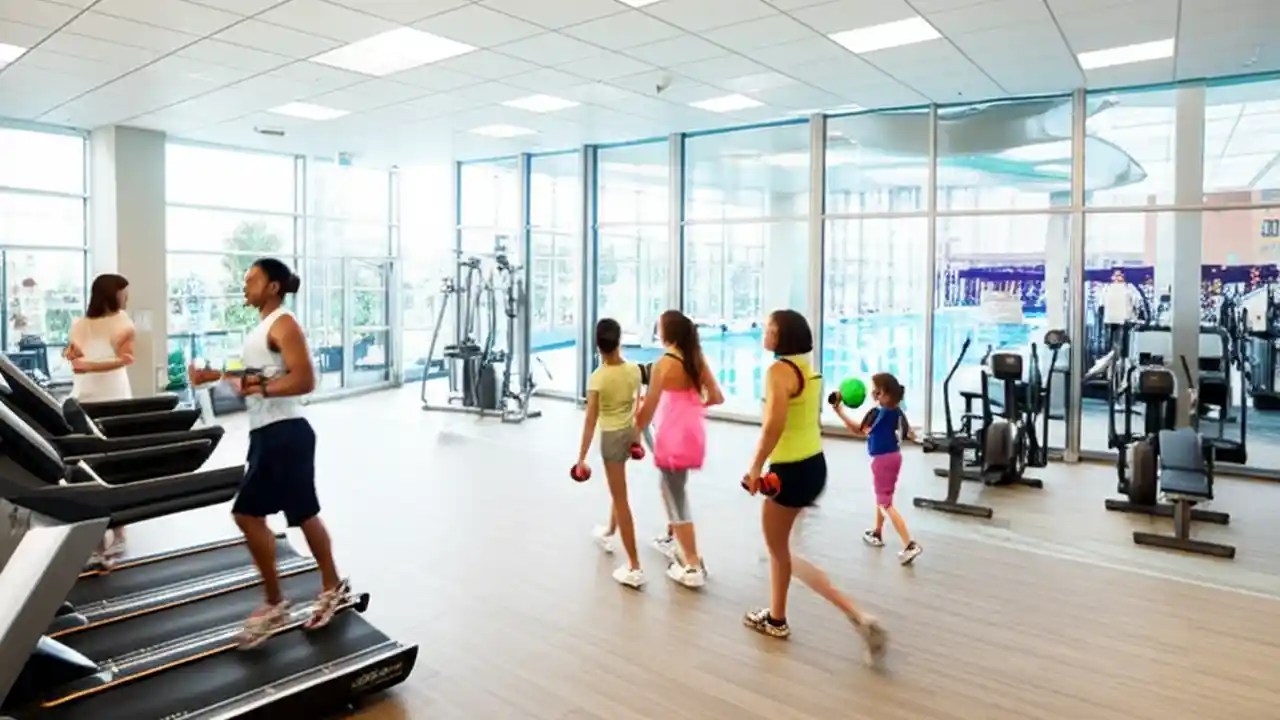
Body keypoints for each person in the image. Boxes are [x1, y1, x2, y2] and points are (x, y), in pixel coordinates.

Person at [188, 258, 348, 650]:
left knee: (251, 513)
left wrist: (260, 388)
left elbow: (304, 378)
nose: (245, 286)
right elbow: (256, 377)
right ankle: (327, 587)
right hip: (269, 433)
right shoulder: (262, 329)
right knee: (301, 512)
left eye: (252, 280)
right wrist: (215, 375)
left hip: (286, 431)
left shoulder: (284, 323)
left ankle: (282, 600)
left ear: (273, 286)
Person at [742, 309, 887, 663]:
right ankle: (776, 619)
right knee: (780, 549)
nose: (765, 331)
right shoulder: (811, 371)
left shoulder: (778, 371)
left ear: (782, 337)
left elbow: (774, 425)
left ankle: (857, 615)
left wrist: (755, 466)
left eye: (770, 328)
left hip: (788, 471)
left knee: (781, 552)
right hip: (814, 467)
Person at [635, 310, 723, 589]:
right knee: (674, 489)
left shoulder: (664, 364)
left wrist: (633, 436)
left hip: (671, 437)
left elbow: (646, 413)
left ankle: (693, 564)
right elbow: (717, 396)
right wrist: (692, 406)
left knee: (675, 497)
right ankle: (675, 541)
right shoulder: (695, 359)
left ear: (666, 333)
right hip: (692, 435)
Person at [66, 273, 136, 567]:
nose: (126, 297)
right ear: (110, 294)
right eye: (123, 292)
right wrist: (79, 361)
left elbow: (126, 359)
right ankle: (97, 540)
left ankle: (119, 533)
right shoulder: (80, 324)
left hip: (116, 398)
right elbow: (74, 360)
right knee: (90, 469)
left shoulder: (123, 322)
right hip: (86, 399)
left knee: (116, 466)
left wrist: (87, 365)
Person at [577, 318, 646, 588]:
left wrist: (581, 457)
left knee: (621, 499)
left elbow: (590, 420)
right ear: (619, 340)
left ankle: (634, 566)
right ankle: (609, 531)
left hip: (612, 440)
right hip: (629, 435)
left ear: (598, 345)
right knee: (619, 490)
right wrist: (637, 436)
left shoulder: (598, 377)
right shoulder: (633, 370)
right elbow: (637, 403)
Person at [832, 372, 923, 565]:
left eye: (876, 390)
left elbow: (858, 430)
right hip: (895, 458)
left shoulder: (876, 413)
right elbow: (906, 433)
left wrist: (839, 412)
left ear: (884, 394)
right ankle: (878, 532)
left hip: (881, 461)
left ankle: (909, 544)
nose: (872, 394)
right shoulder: (898, 411)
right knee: (882, 497)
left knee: (886, 504)